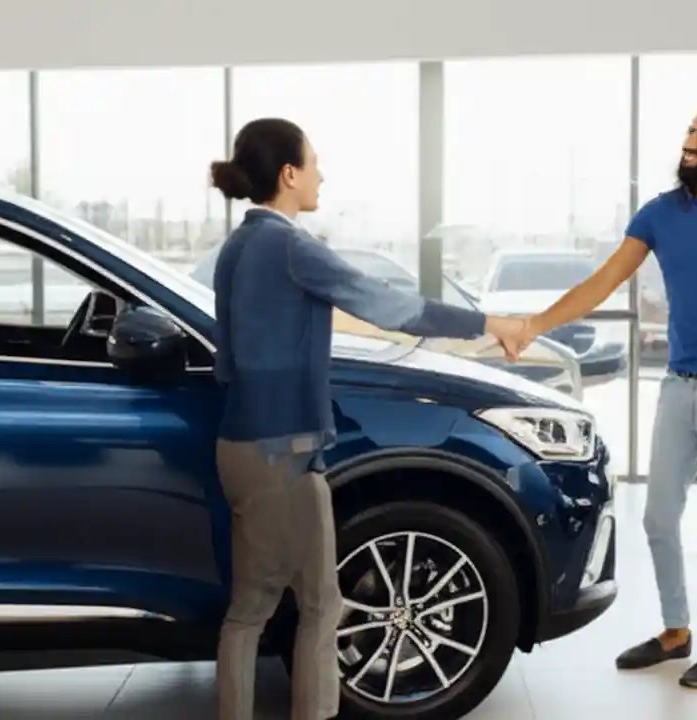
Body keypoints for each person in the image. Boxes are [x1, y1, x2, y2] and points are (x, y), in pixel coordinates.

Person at [207, 117, 525, 720]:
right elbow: (390, 306)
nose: (322, 174)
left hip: (237, 446)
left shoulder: (235, 249)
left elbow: (226, 361)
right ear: (289, 174)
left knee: (248, 611)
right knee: (323, 607)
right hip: (285, 453)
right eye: (314, 162)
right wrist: (488, 323)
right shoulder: (290, 246)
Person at [513, 95, 697, 689]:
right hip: (679, 384)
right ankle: (676, 632)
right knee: (659, 517)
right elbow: (602, 282)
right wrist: (535, 326)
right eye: (690, 131)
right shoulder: (660, 213)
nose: (690, 141)